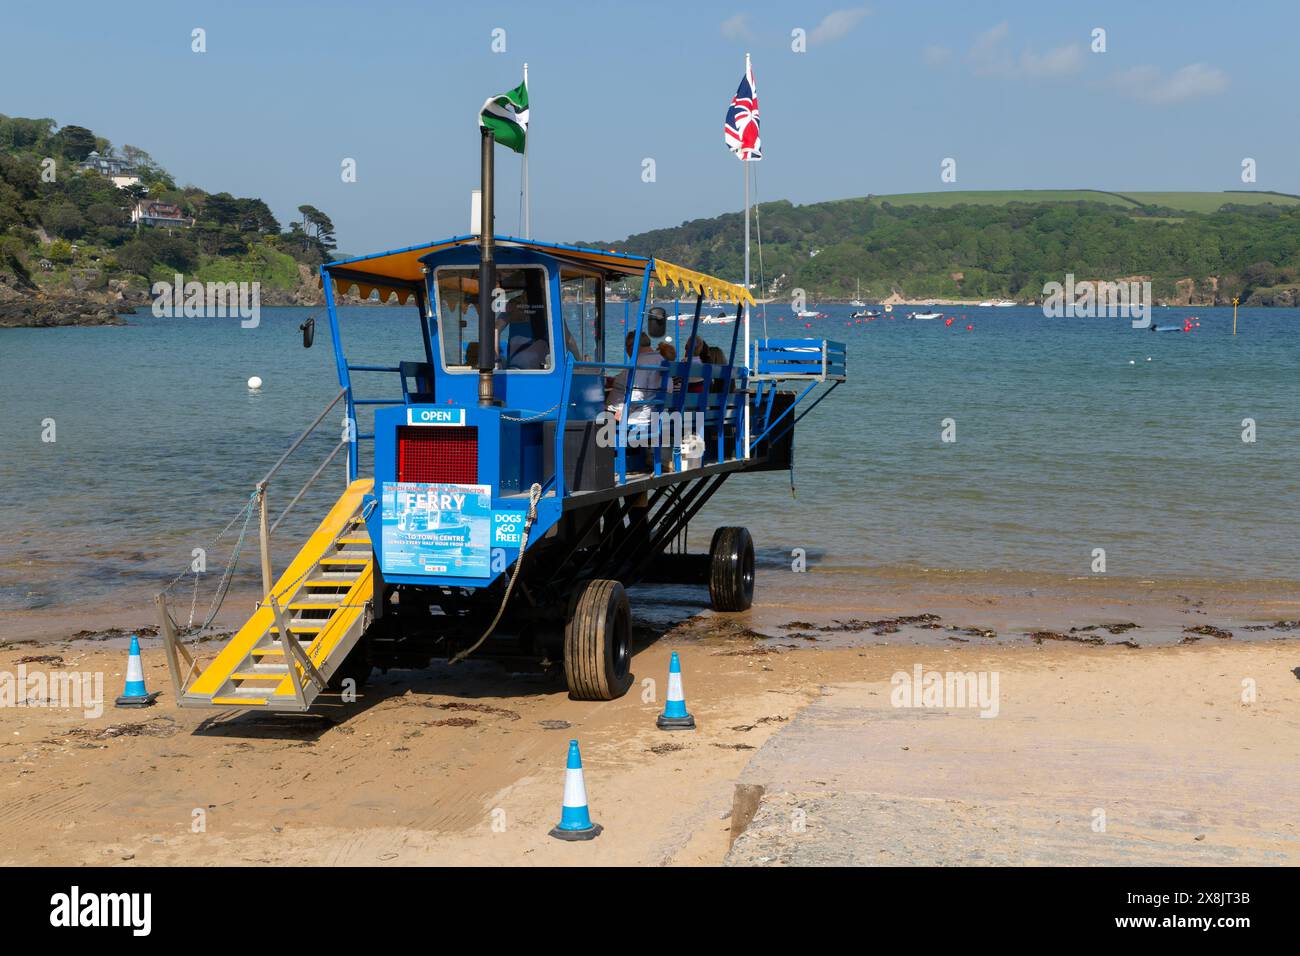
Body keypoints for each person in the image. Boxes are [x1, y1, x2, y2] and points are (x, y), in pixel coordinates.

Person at [605, 331, 665, 423]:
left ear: (632, 346)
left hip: (635, 415)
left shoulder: (641, 363)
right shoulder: (661, 359)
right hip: (654, 412)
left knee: (591, 415)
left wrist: (624, 412)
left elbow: (637, 394)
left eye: (627, 347)